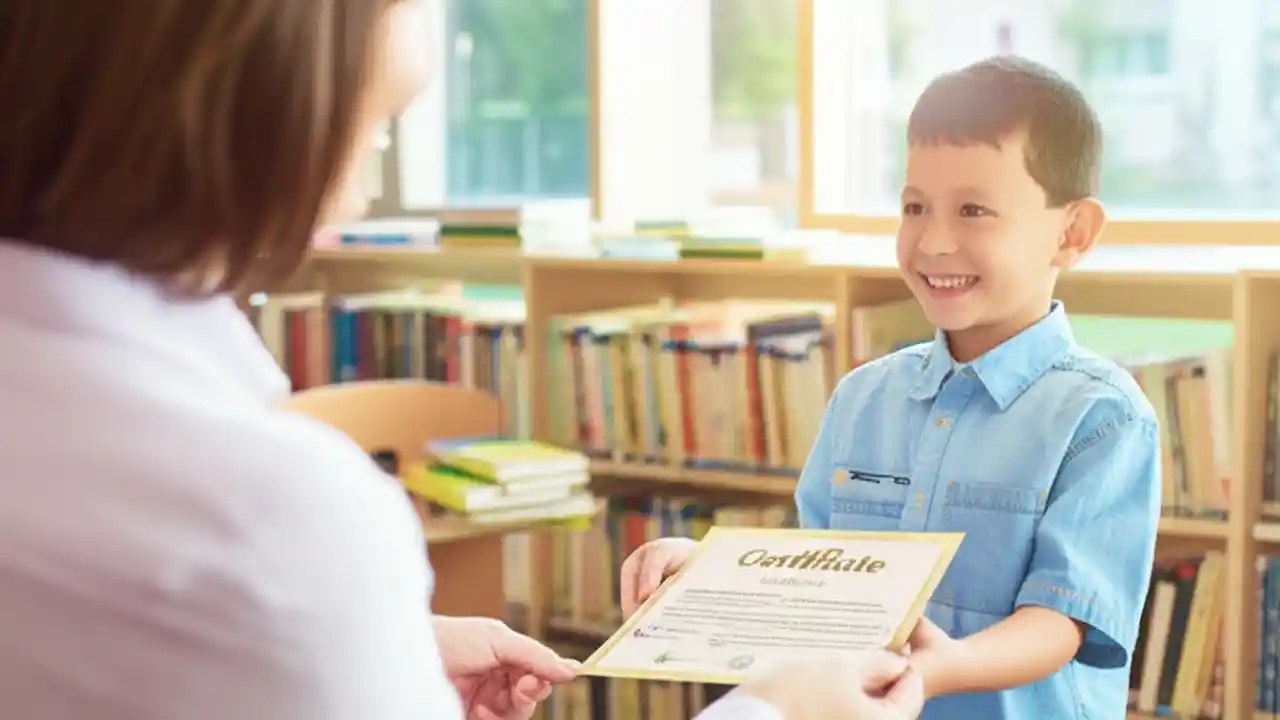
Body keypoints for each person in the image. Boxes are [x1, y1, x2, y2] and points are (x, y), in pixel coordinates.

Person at [0, 1, 926, 719]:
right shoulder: (270, 518)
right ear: (256, 105)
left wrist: (374, 651)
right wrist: (776, 707)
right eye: (371, 124)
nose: (362, 189)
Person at [621, 55, 1161, 719]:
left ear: (1071, 233)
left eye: (974, 211)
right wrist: (703, 578)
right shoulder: (861, 399)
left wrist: (946, 669)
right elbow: (806, 574)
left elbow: (1063, 620)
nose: (933, 241)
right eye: (914, 207)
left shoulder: (1103, 419)